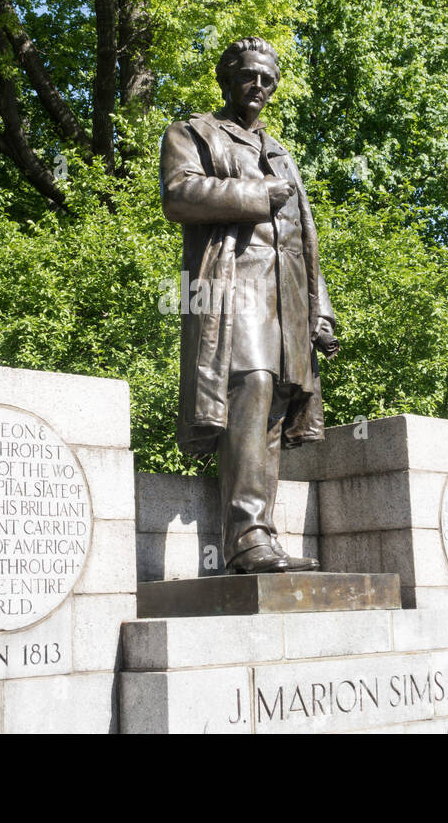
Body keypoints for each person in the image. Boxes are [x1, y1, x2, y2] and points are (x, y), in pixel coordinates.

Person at [159, 36, 339, 575]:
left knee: (276, 404)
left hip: (286, 295)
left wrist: (320, 308)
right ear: (227, 79)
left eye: (267, 77)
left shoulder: (281, 150)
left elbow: (306, 236)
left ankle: (261, 535)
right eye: (247, 76)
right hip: (232, 283)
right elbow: (179, 194)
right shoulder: (192, 132)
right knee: (252, 383)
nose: (258, 85)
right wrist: (258, 194)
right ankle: (244, 537)